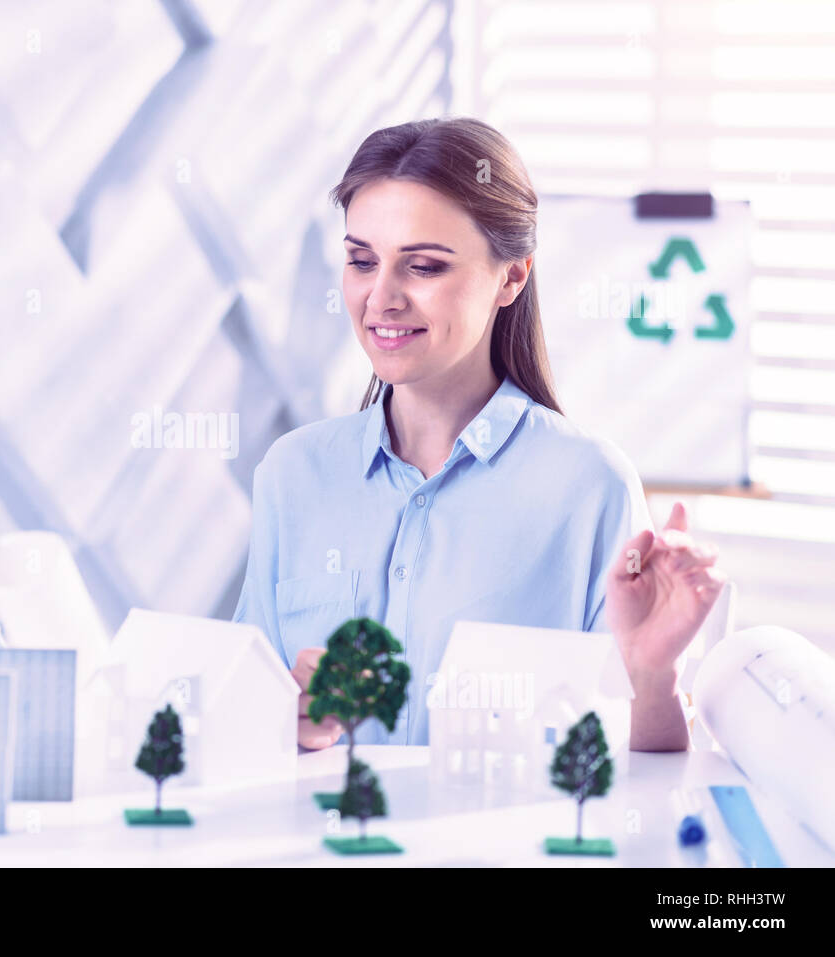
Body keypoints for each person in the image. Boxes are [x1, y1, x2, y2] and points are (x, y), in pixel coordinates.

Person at [233, 117, 725, 753]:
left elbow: (636, 773)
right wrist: (285, 723)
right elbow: (237, 723)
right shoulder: (292, 474)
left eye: (425, 267)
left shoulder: (588, 487)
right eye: (362, 261)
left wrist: (654, 679)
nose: (380, 298)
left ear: (512, 277)